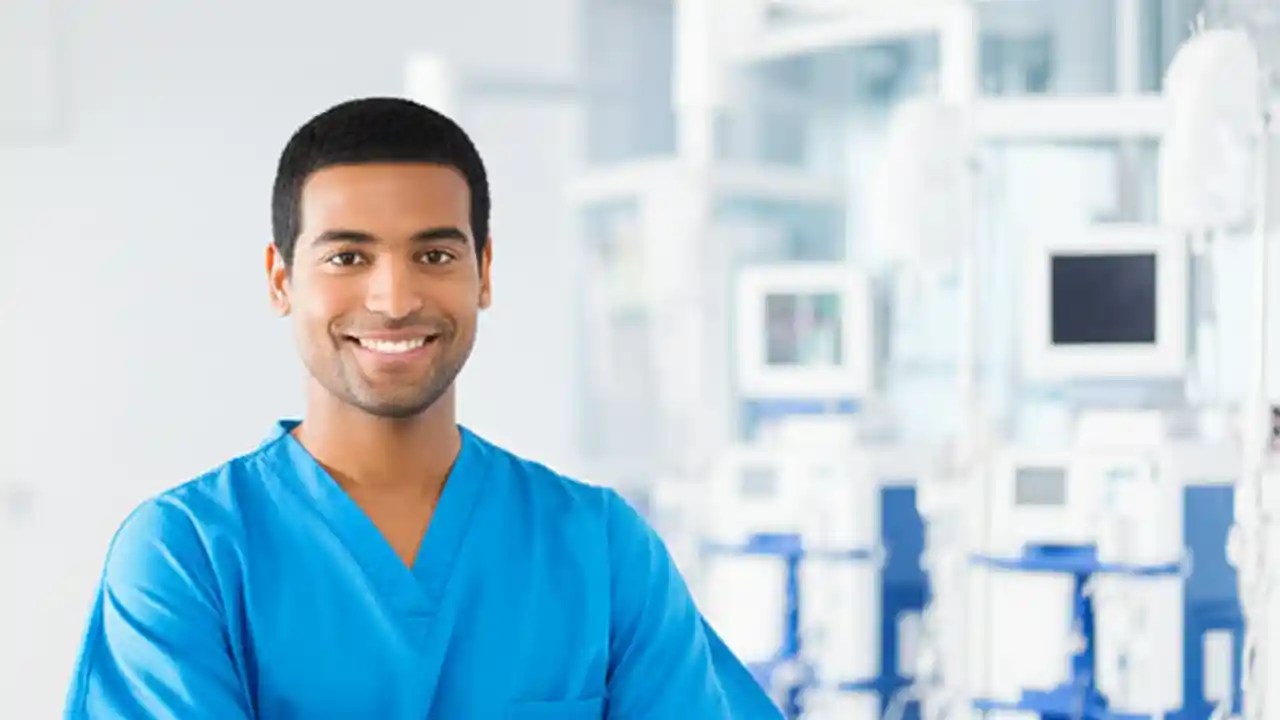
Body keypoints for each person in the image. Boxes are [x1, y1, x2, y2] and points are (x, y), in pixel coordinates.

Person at [63, 98, 781, 719]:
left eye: (434, 257)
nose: (396, 299)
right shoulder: (187, 556)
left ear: (484, 273)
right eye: (348, 258)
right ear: (281, 279)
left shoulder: (600, 550)